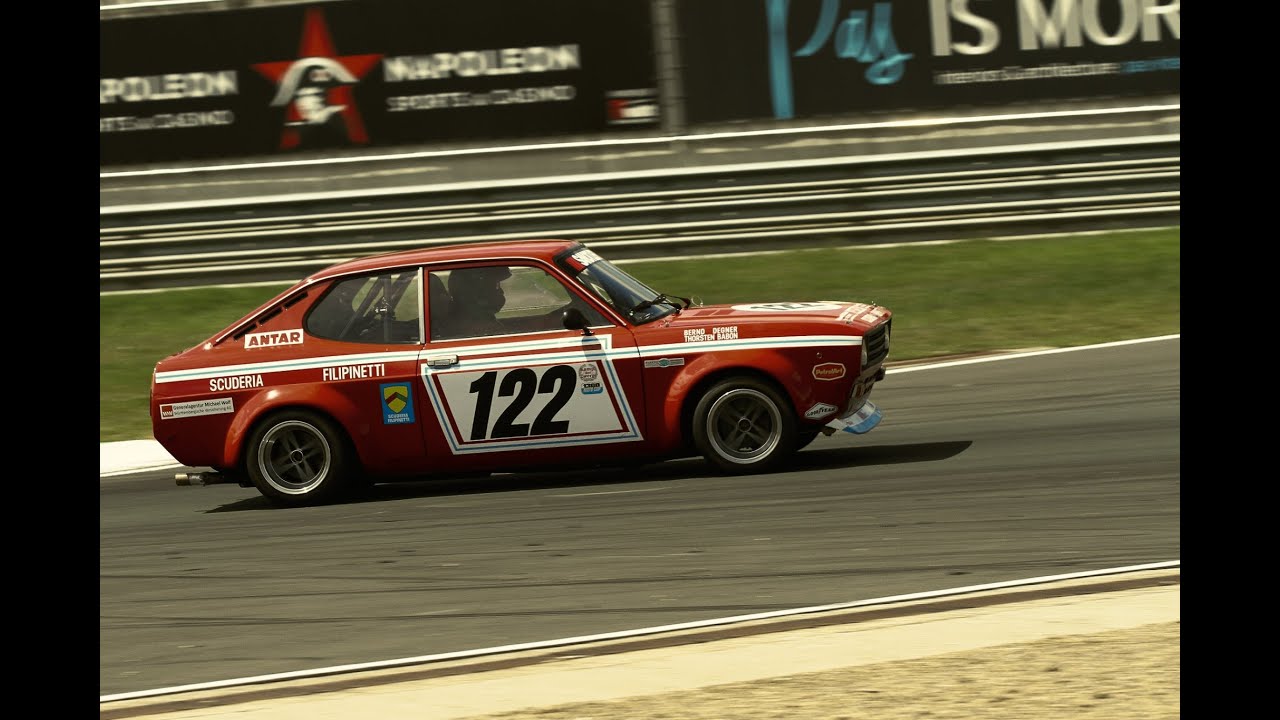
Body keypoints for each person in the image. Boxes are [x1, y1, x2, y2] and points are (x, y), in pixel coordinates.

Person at [446, 266, 511, 337]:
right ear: (478, 291)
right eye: (496, 286)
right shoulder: (482, 328)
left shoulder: (480, 320)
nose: (501, 291)